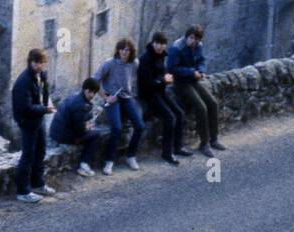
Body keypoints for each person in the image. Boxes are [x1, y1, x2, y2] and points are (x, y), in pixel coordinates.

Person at [166, 24, 225, 157]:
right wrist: (192, 72)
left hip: (193, 80)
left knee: (213, 103)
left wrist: (200, 71)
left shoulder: (198, 46)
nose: (193, 41)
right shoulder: (177, 47)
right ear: (187, 36)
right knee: (201, 107)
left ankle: (214, 139)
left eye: (196, 39)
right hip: (181, 83)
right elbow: (171, 69)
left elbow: (202, 61)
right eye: (191, 38)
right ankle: (204, 144)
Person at [93, 38, 145, 175]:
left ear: (131, 51)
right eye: (122, 49)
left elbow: (133, 80)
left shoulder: (134, 63)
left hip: (127, 97)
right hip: (112, 98)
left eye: (127, 49)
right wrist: (105, 97)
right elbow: (95, 80)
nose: (124, 52)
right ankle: (109, 160)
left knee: (139, 126)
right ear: (118, 50)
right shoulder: (109, 63)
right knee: (116, 127)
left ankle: (130, 155)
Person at [11, 48, 56, 204]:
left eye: (42, 62)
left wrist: (45, 82)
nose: (39, 65)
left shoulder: (40, 76)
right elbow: (25, 108)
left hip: (38, 119)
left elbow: (43, 96)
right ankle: (22, 191)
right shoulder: (24, 81)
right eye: (37, 62)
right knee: (28, 154)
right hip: (28, 121)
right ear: (31, 62)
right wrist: (45, 109)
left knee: (41, 151)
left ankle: (38, 183)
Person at [138, 31, 187, 164]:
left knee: (180, 114)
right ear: (153, 43)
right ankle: (167, 153)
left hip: (160, 91)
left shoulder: (161, 56)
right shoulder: (146, 58)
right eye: (157, 43)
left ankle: (178, 147)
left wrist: (167, 77)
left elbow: (162, 72)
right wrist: (163, 80)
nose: (159, 46)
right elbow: (147, 83)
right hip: (149, 94)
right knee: (170, 118)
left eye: (162, 44)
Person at [50, 79, 104, 178]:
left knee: (91, 131)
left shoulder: (75, 97)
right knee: (96, 135)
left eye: (94, 93)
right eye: (90, 92)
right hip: (63, 135)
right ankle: (84, 165)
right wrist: (87, 127)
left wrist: (90, 118)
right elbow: (80, 131)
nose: (91, 95)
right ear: (84, 89)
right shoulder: (80, 104)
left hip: (56, 131)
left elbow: (81, 116)